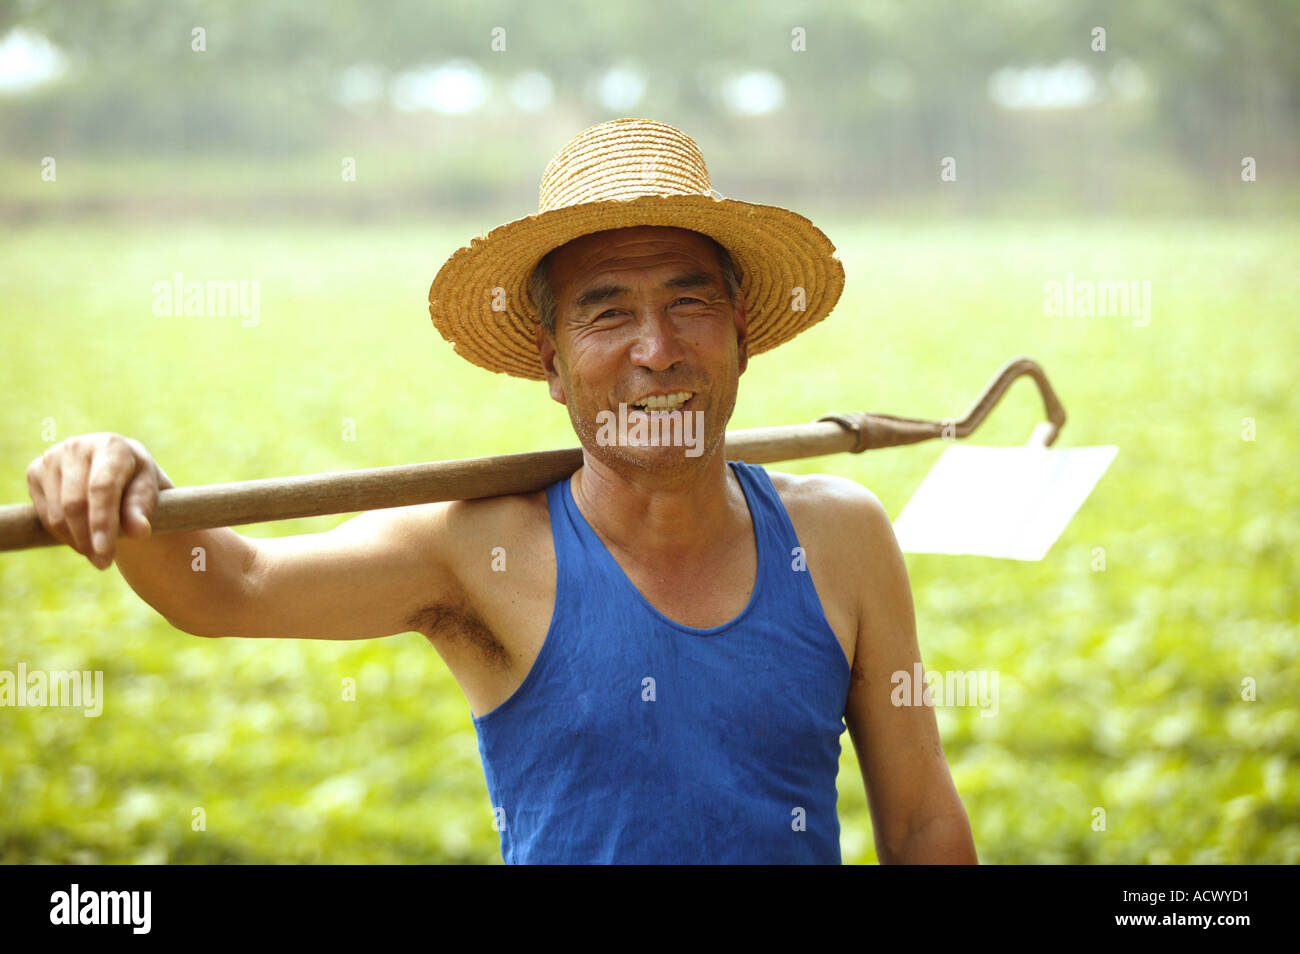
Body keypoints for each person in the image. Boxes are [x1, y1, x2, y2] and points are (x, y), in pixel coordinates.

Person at [25, 119, 976, 864]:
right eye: (608, 312)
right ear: (553, 364)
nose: (657, 350)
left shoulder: (840, 538)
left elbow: (925, 821)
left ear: (741, 337)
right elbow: (229, 586)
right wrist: (119, 477)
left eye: (689, 302)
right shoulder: (473, 549)